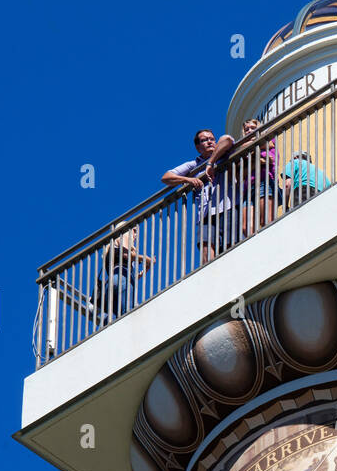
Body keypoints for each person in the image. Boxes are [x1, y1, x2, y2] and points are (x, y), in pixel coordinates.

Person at [161, 129, 236, 262]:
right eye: (204, 140)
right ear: (198, 147)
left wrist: (210, 163)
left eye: (212, 139)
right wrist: (188, 180)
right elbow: (166, 177)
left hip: (227, 207)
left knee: (230, 247)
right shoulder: (194, 165)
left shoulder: (224, 153)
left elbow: (227, 139)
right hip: (205, 214)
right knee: (206, 250)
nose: (209, 142)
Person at [93, 225, 154, 328]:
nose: (135, 235)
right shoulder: (125, 233)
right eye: (134, 231)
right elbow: (125, 255)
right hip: (122, 279)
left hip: (112, 282)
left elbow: (130, 273)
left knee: (111, 317)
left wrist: (143, 272)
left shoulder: (111, 247)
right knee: (128, 313)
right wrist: (147, 259)